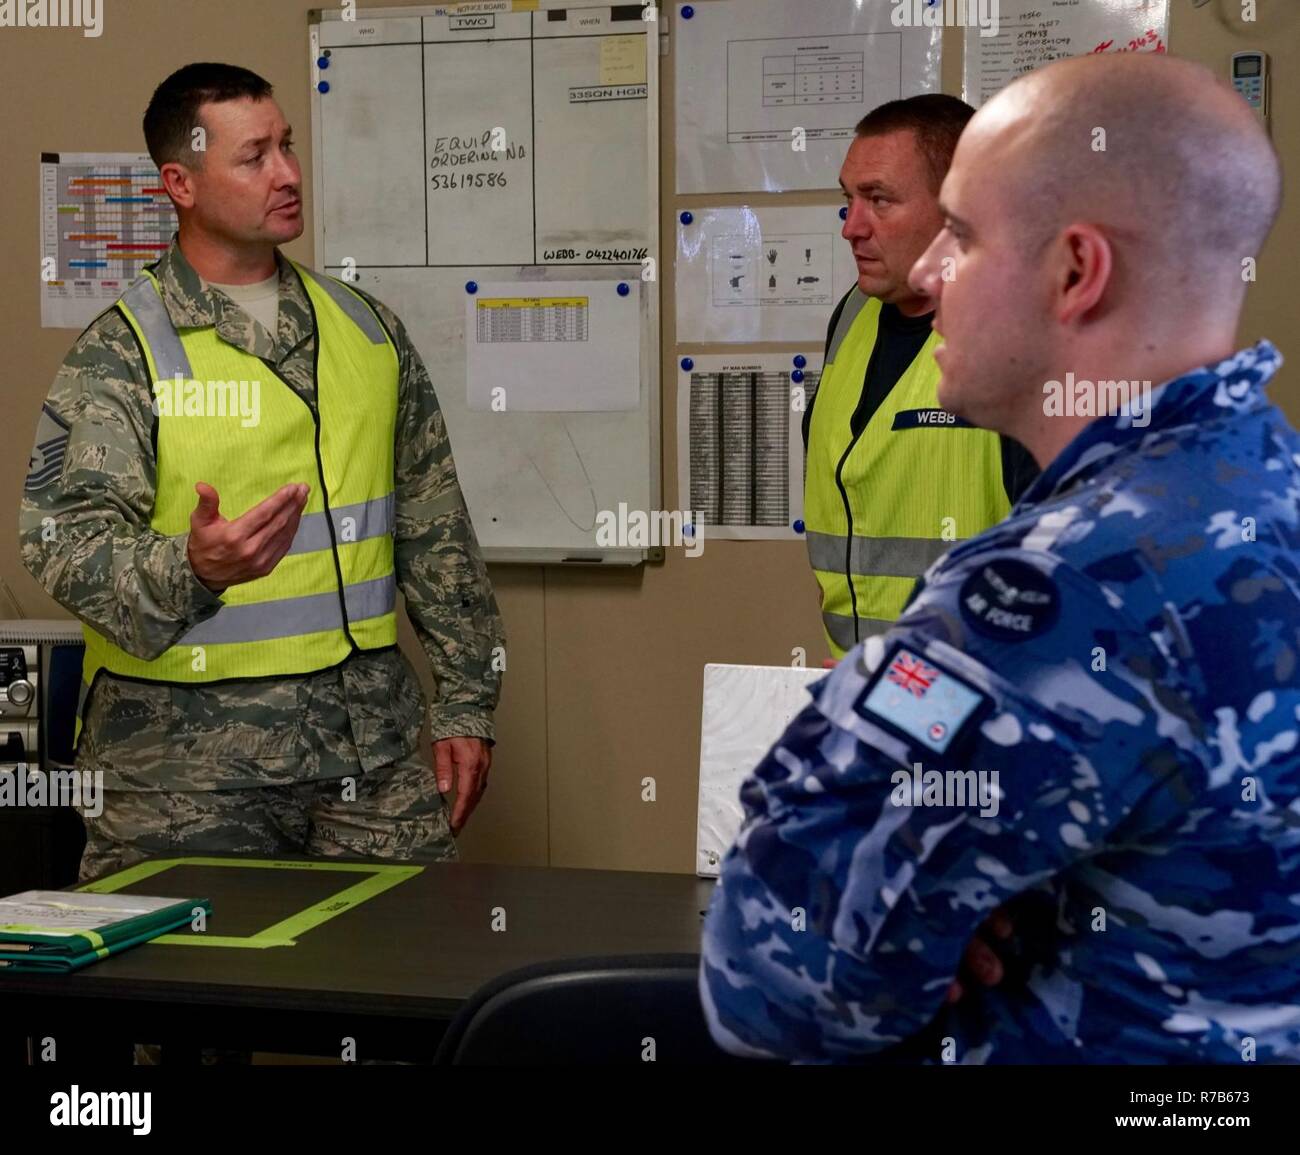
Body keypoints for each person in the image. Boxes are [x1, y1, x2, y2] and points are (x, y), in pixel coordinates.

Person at [701, 52, 1298, 1063]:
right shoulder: (1262, 488)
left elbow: (771, 974)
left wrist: (905, 905)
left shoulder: (1058, 592)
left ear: (1075, 271)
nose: (931, 273)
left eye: (964, 239)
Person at [19, 63, 504, 882]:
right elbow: (62, 544)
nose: (286, 172)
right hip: (184, 775)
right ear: (181, 182)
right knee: (193, 1003)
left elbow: (434, 524)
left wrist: (465, 700)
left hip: (367, 755)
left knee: (412, 979)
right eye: (254, 156)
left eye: (286, 145)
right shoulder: (122, 351)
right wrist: (190, 565)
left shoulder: (368, 331)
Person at [805, 95, 1038, 659]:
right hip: (858, 696)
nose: (851, 228)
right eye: (849, 199)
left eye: (879, 200)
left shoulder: (1026, 344)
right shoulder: (853, 316)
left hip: (983, 709)